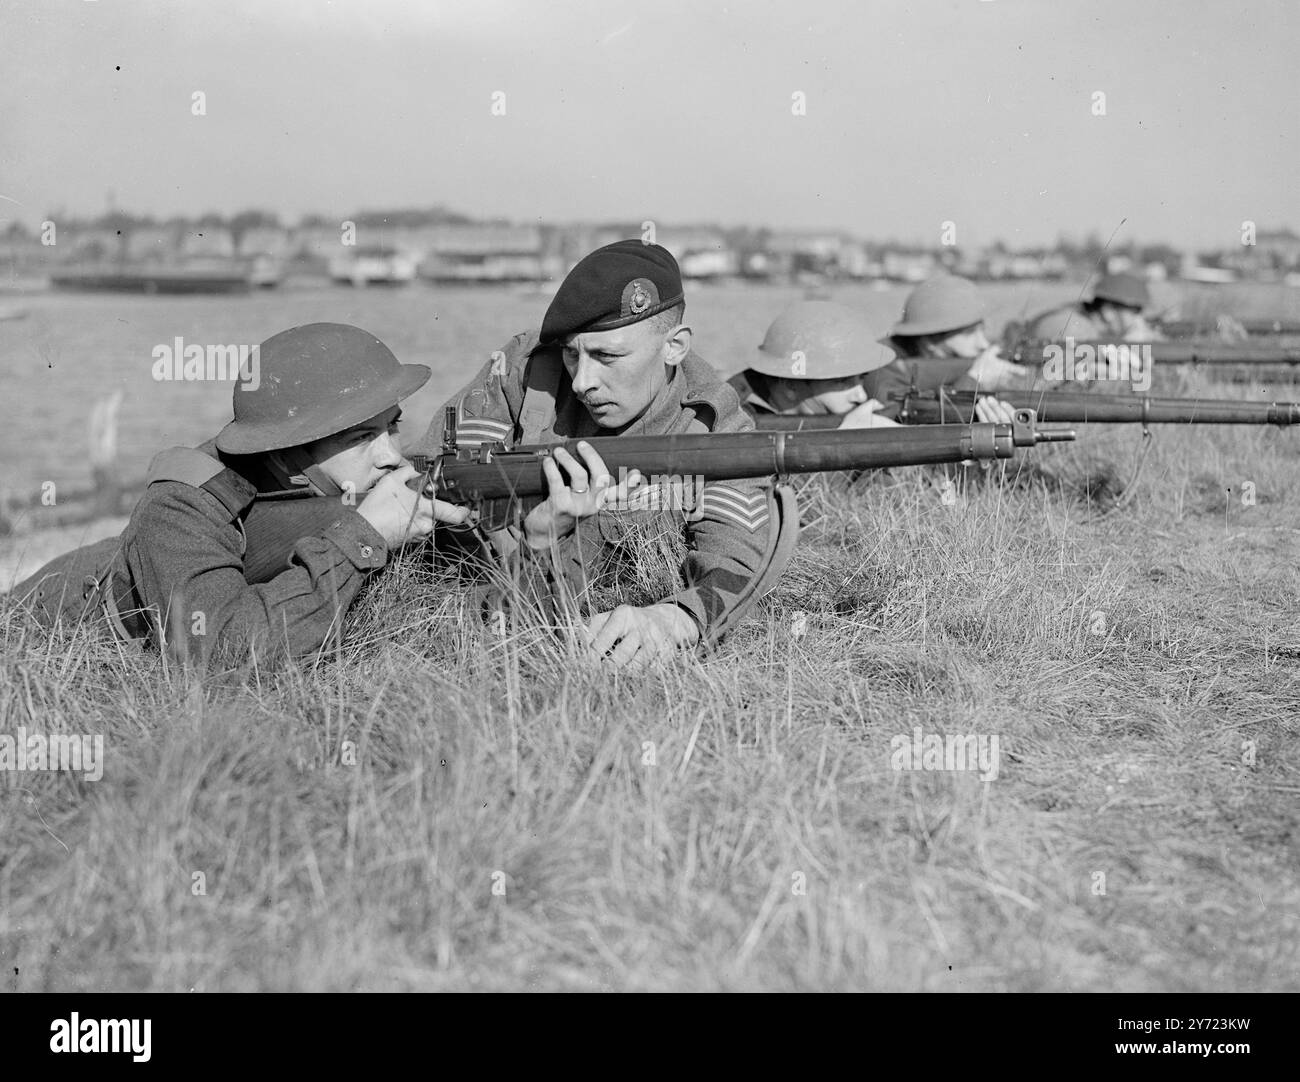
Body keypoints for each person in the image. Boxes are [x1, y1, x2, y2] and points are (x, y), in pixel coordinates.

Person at [13, 322, 610, 664]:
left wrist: (540, 545)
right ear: (288, 447)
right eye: (361, 437)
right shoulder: (184, 506)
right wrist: (363, 537)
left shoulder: (374, 494)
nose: (391, 455)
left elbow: (490, 631)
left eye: (392, 427)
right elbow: (220, 658)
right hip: (30, 631)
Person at [409, 240, 797, 669]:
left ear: (675, 346)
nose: (581, 382)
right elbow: (429, 491)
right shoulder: (524, 375)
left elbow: (734, 558)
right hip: (494, 598)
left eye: (607, 356)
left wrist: (677, 619)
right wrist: (527, 536)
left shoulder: (715, 425)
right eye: (572, 355)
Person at [868, 275, 1026, 423]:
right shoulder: (882, 368)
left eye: (981, 330)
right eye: (969, 333)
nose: (983, 344)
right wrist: (974, 379)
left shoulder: (924, 362)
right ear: (929, 341)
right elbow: (913, 429)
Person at [727, 301, 901, 428]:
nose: (861, 396)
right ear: (790, 385)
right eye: (842, 381)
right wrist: (843, 439)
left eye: (861, 379)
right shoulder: (729, 422)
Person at [1023, 271, 1162, 343]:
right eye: (1135, 311)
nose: (1139, 318)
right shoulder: (1075, 327)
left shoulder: (1085, 324)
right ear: (1108, 312)